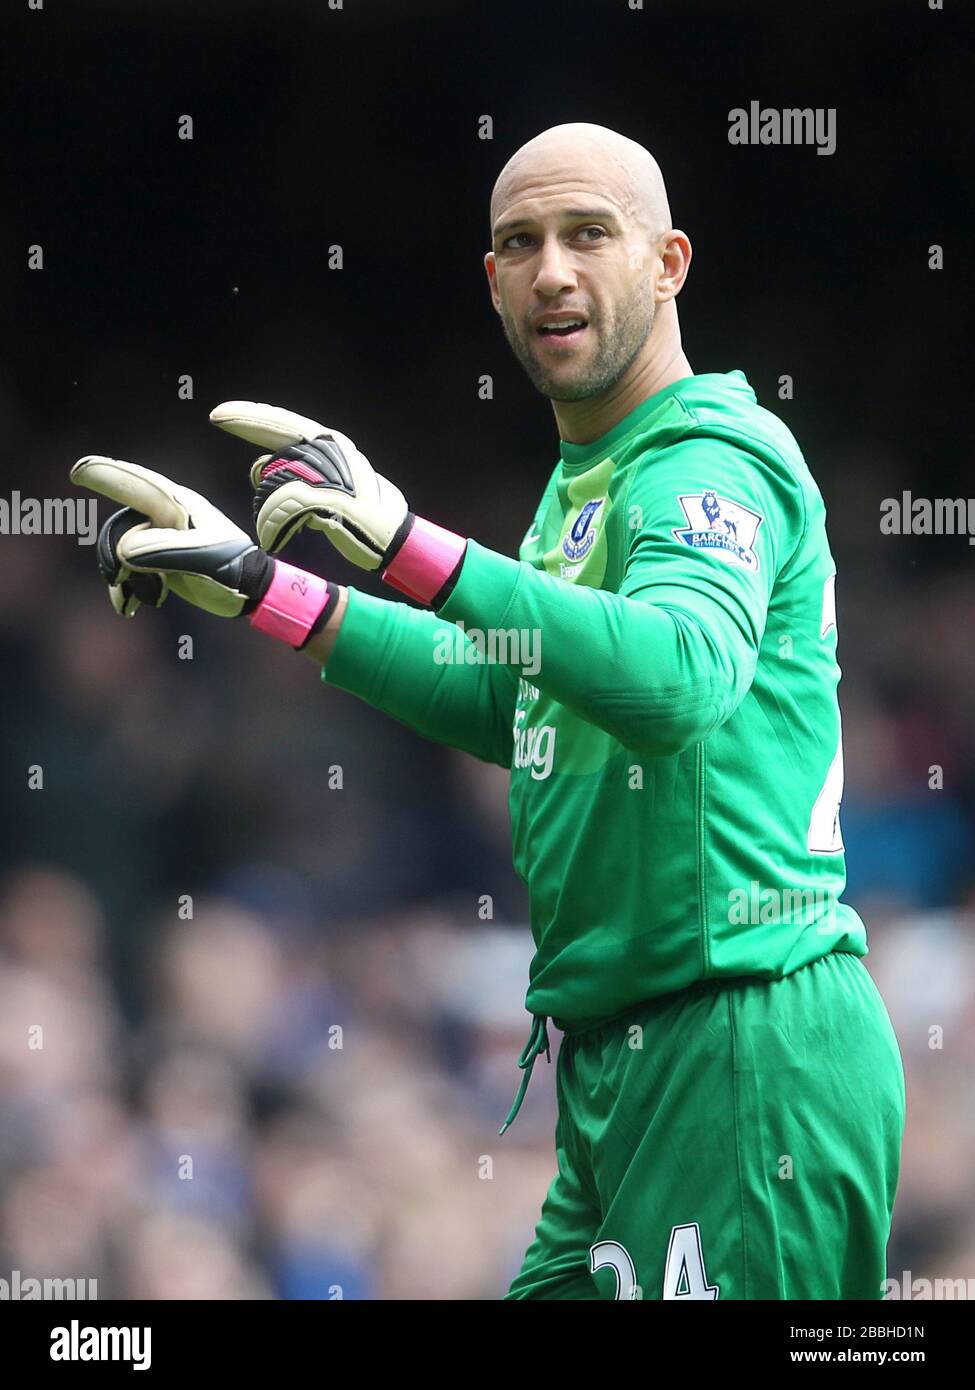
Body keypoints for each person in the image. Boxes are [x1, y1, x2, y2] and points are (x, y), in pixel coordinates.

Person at [73, 122, 905, 1300]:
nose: (553, 269)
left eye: (589, 236)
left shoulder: (708, 455)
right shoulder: (587, 482)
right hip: (627, 1061)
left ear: (668, 264)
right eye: (522, 243)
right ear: (494, 282)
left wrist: (413, 547)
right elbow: (516, 701)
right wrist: (271, 591)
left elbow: (677, 679)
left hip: (744, 1054)